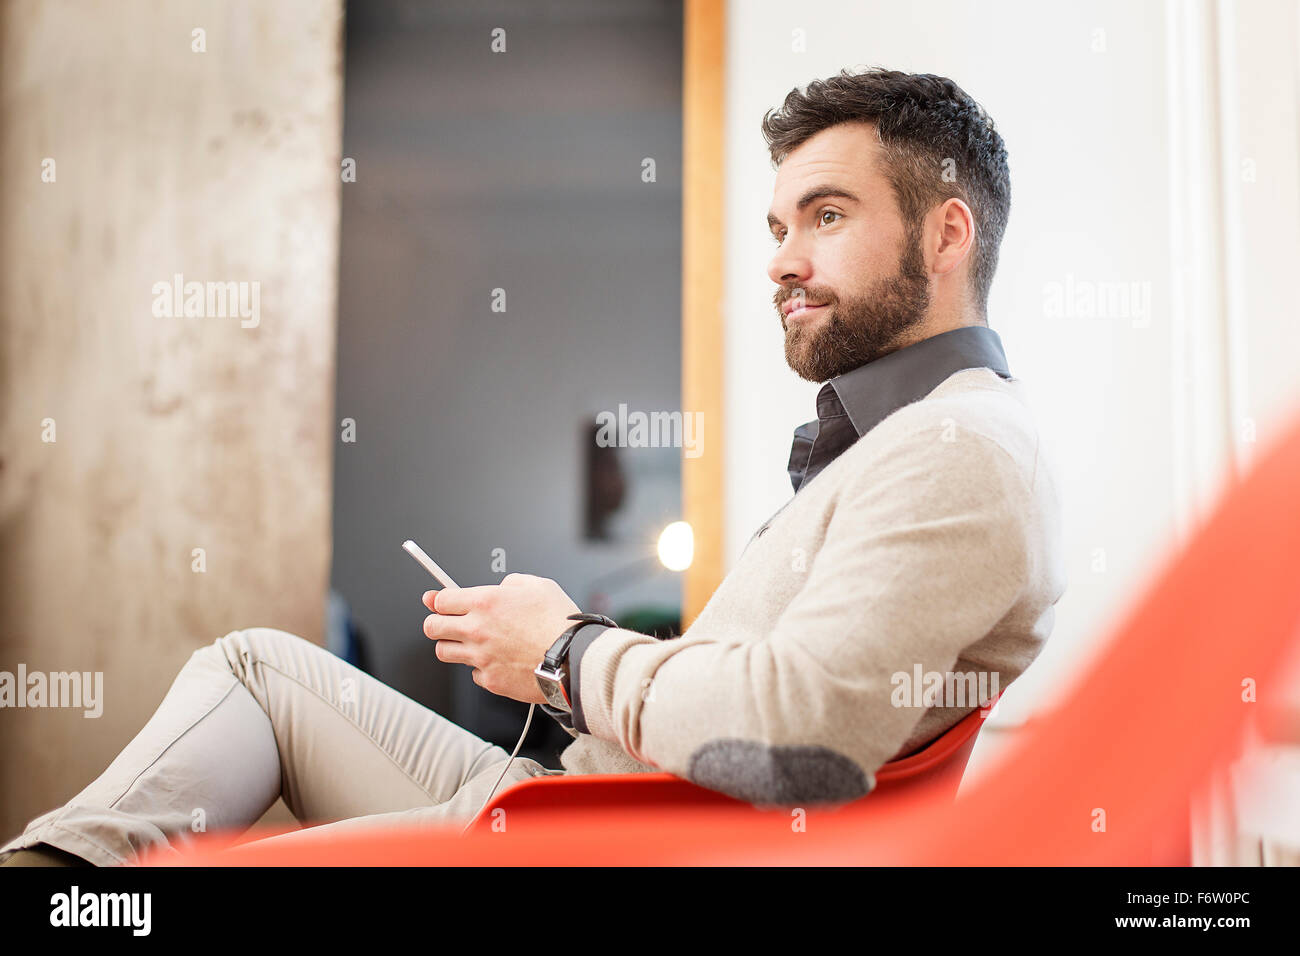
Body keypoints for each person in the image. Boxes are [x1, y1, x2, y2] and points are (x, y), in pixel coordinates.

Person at [1, 67, 1066, 866]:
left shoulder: (959, 446)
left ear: (945, 236)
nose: (783, 258)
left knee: (149, 881)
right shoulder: (904, 440)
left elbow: (796, 728)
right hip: (577, 792)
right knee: (253, 669)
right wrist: (559, 660)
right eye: (778, 225)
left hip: (587, 837)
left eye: (827, 216)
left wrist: (562, 650)